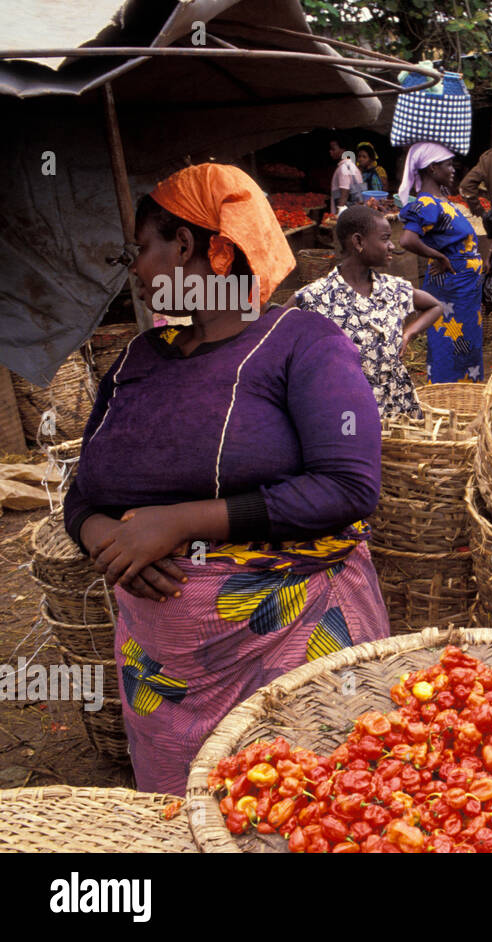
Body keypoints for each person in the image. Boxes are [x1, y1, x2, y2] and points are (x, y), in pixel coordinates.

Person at [62, 163, 387, 794]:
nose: (134, 269)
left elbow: (348, 486)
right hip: (164, 668)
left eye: (142, 249)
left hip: (292, 643)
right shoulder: (137, 357)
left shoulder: (305, 344)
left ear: (185, 246)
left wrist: (176, 523)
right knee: (186, 814)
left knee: (308, 808)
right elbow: (84, 488)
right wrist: (104, 534)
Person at [294, 205, 444, 417]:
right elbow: (275, 328)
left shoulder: (393, 289)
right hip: (347, 412)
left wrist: (407, 334)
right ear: (358, 242)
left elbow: (435, 306)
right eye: (385, 239)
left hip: (396, 407)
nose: (391, 246)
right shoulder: (316, 297)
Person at [398, 141, 486, 382]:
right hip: (452, 287)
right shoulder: (427, 203)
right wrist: (439, 256)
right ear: (433, 168)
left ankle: (466, 394)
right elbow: (407, 239)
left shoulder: (441, 200)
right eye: (448, 165)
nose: (453, 169)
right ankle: (446, 394)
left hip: (464, 289)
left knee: (466, 341)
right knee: (451, 341)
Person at [328, 137, 364, 213]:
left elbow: (344, 194)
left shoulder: (343, 168)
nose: (330, 151)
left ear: (343, 150)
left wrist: (338, 215)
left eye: (333, 149)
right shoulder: (352, 166)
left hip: (346, 215)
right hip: (355, 211)